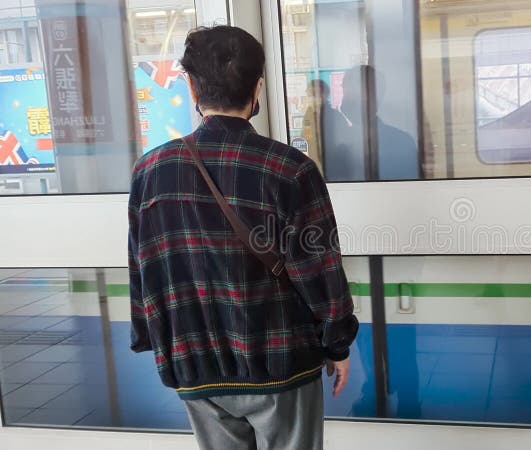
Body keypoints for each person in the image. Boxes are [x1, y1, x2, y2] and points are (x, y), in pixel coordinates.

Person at [127, 26, 358, 450]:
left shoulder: (150, 171)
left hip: (196, 361)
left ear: (193, 87)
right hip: (281, 362)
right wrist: (337, 344)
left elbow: (144, 270)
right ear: (258, 88)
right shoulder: (289, 169)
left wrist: (154, 340)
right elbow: (320, 271)